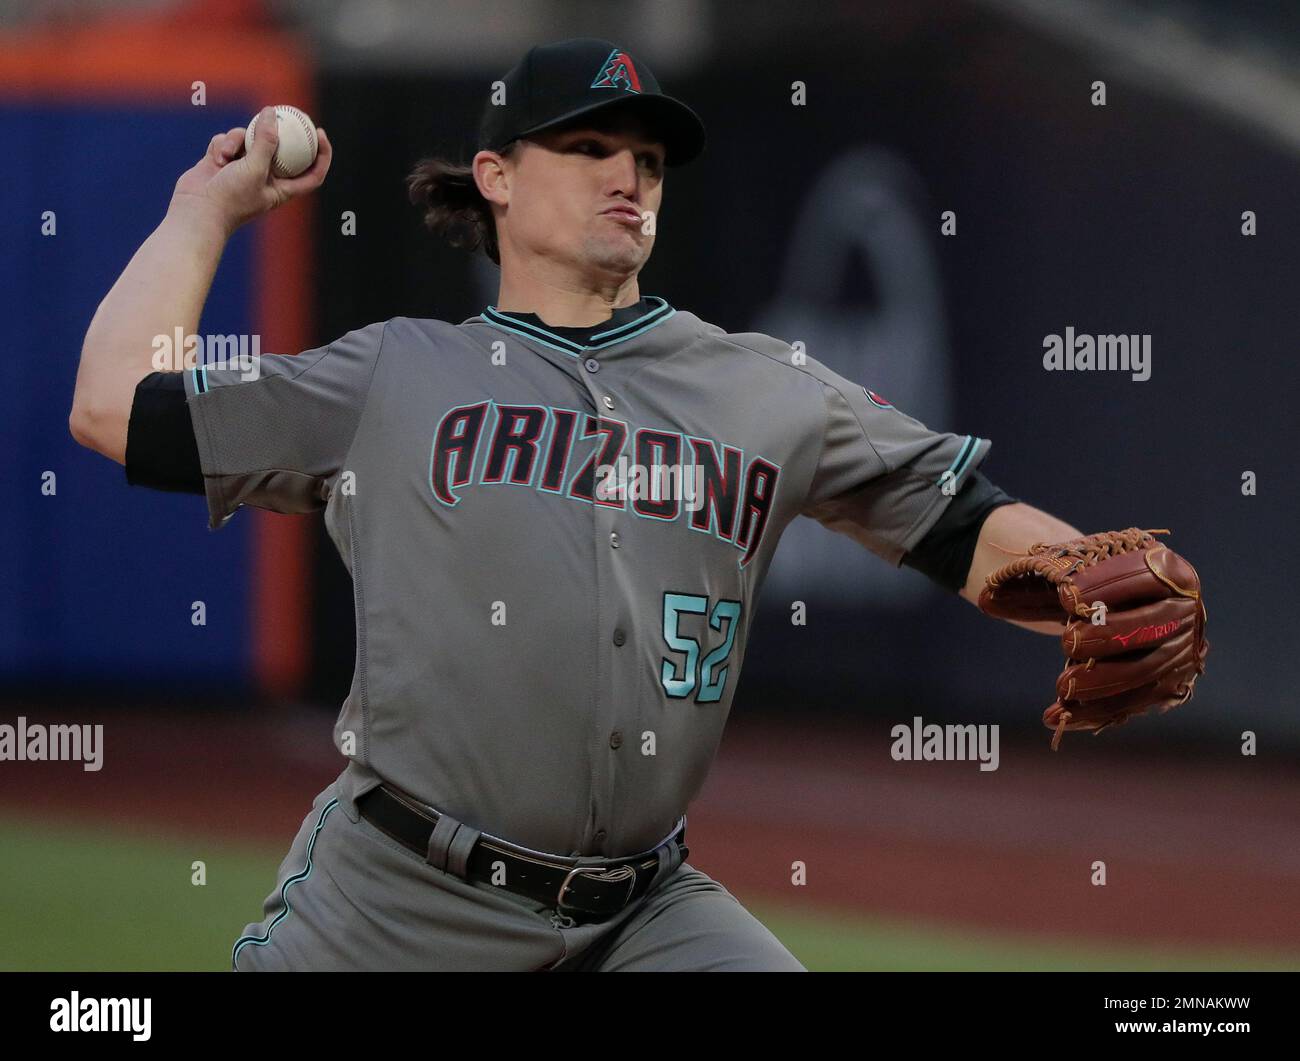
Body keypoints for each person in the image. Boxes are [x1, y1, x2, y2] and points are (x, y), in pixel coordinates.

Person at [68, 39, 1182, 971]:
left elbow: (960, 520)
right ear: (495, 176)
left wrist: (1087, 581)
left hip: (644, 915)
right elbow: (115, 406)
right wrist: (203, 214)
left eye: (647, 158)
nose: (629, 174)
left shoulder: (764, 386)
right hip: (400, 902)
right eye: (589, 145)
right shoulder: (391, 375)